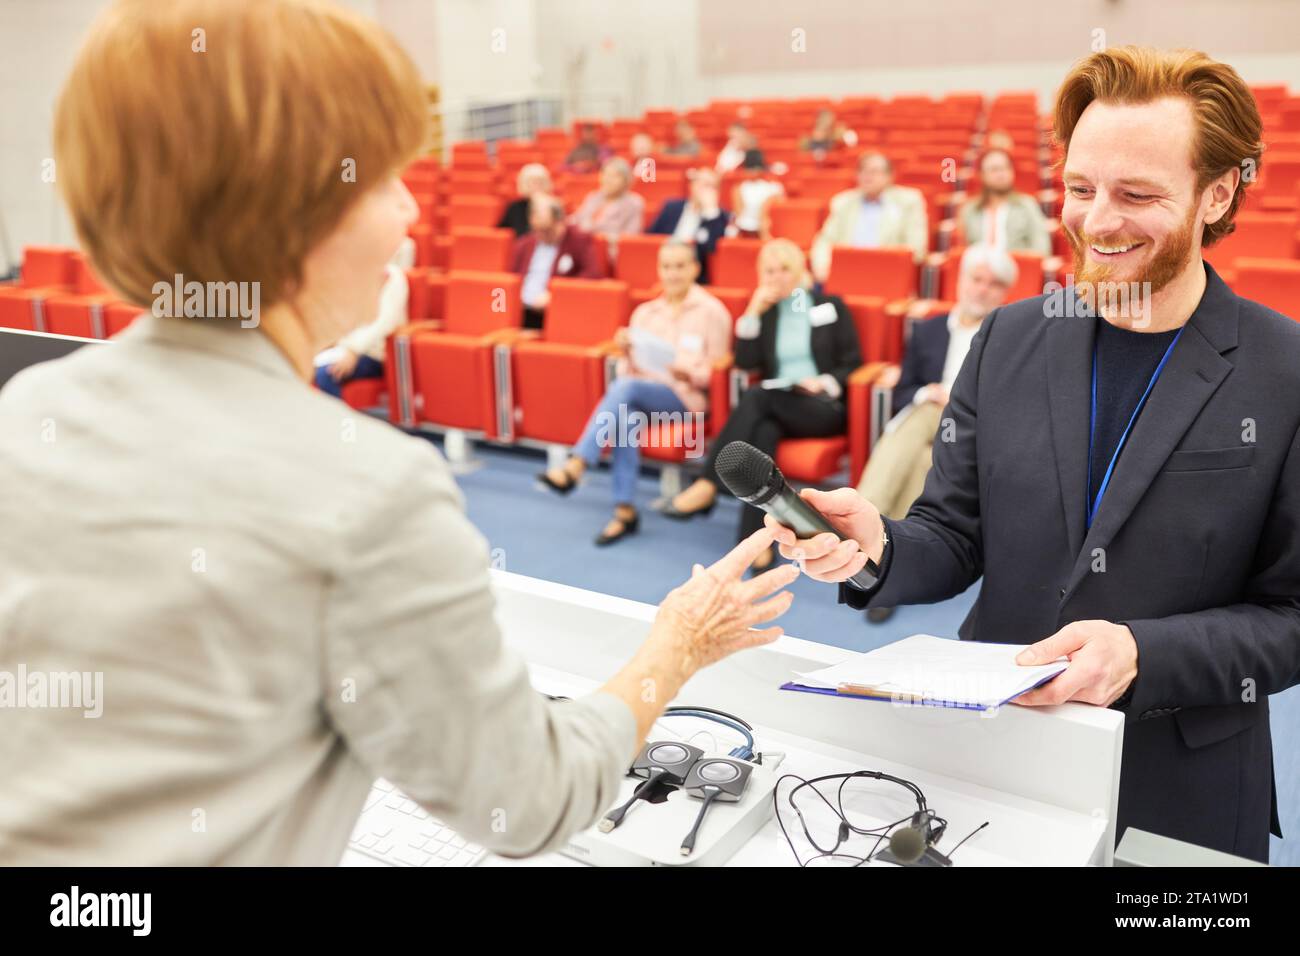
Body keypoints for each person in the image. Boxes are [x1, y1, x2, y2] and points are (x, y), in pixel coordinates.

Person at [0, 0, 801, 866]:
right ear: (292, 210)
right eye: (380, 178)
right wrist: (678, 642)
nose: (412, 214)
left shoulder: (28, 411)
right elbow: (530, 802)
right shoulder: (364, 490)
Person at [766, 46, 1300, 863]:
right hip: (999, 757)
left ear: (1218, 192)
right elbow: (953, 536)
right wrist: (878, 546)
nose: (1096, 221)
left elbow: (1291, 617)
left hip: (1181, 785)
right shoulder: (1010, 336)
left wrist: (1140, 653)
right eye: (1080, 189)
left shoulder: (1284, 369)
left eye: (1137, 194)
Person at [663, 238, 861, 573]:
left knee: (755, 397)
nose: (777, 277)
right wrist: (753, 312)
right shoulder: (767, 315)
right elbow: (745, 362)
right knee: (763, 434)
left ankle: (709, 483)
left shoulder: (829, 305)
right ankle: (755, 543)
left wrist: (823, 382)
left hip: (821, 406)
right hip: (777, 406)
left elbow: (852, 362)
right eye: (769, 271)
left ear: (798, 271)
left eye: (784, 269)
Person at [855, 244, 1016, 622]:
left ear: (1004, 294)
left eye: (993, 285)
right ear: (961, 282)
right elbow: (903, 390)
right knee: (922, 443)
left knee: (930, 450)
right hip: (924, 415)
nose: (982, 290)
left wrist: (955, 401)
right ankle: (887, 553)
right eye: (976, 280)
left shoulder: (1010, 338)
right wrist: (929, 393)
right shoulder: (928, 329)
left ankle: (864, 525)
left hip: (973, 428)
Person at [537, 241, 731, 545]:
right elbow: (632, 373)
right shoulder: (645, 313)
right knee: (625, 419)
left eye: (680, 266)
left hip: (685, 398)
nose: (673, 273)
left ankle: (578, 463)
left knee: (625, 390)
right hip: (643, 395)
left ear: (695, 268)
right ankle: (624, 510)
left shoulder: (712, 312)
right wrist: (629, 354)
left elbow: (718, 372)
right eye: (667, 267)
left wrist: (687, 371)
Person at [314, 237, 414, 398]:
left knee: (327, 375)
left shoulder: (393, 277)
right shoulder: (356, 277)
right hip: (344, 349)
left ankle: (338, 423)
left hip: (374, 354)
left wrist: (353, 350)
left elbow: (384, 323)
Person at [810, 151, 928, 283]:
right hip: (846, 274)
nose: (867, 176)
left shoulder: (908, 202)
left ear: (889, 176)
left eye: (874, 171)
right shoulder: (843, 202)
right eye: (863, 171)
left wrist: (878, 269)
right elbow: (825, 240)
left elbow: (917, 250)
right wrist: (823, 268)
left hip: (888, 277)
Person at [508, 194, 604, 330]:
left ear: (560, 222)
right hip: (521, 308)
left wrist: (558, 295)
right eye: (537, 230)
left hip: (555, 312)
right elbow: (511, 276)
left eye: (546, 230)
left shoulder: (579, 240)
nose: (541, 235)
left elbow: (593, 275)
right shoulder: (525, 244)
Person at [956, 148, 1052, 254]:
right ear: (982, 175)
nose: (1001, 174)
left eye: (1006, 168)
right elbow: (961, 253)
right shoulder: (970, 210)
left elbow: (1042, 249)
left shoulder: (1027, 205)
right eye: (994, 169)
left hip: (1017, 268)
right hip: (979, 268)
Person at [647, 167, 730, 283]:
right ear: (692, 186)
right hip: (662, 267)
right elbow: (649, 238)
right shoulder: (671, 207)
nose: (707, 191)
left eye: (712, 187)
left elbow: (713, 251)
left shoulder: (720, 217)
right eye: (704, 184)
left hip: (693, 278)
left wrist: (710, 212)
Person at [571, 157, 646, 241]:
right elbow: (575, 220)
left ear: (626, 180)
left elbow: (631, 236)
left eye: (614, 176)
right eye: (605, 174)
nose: (608, 179)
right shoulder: (593, 197)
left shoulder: (634, 203)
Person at [497, 162, 552, 237]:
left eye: (540, 182)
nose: (537, 186)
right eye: (532, 182)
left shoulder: (553, 206)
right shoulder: (514, 208)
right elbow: (500, 233)